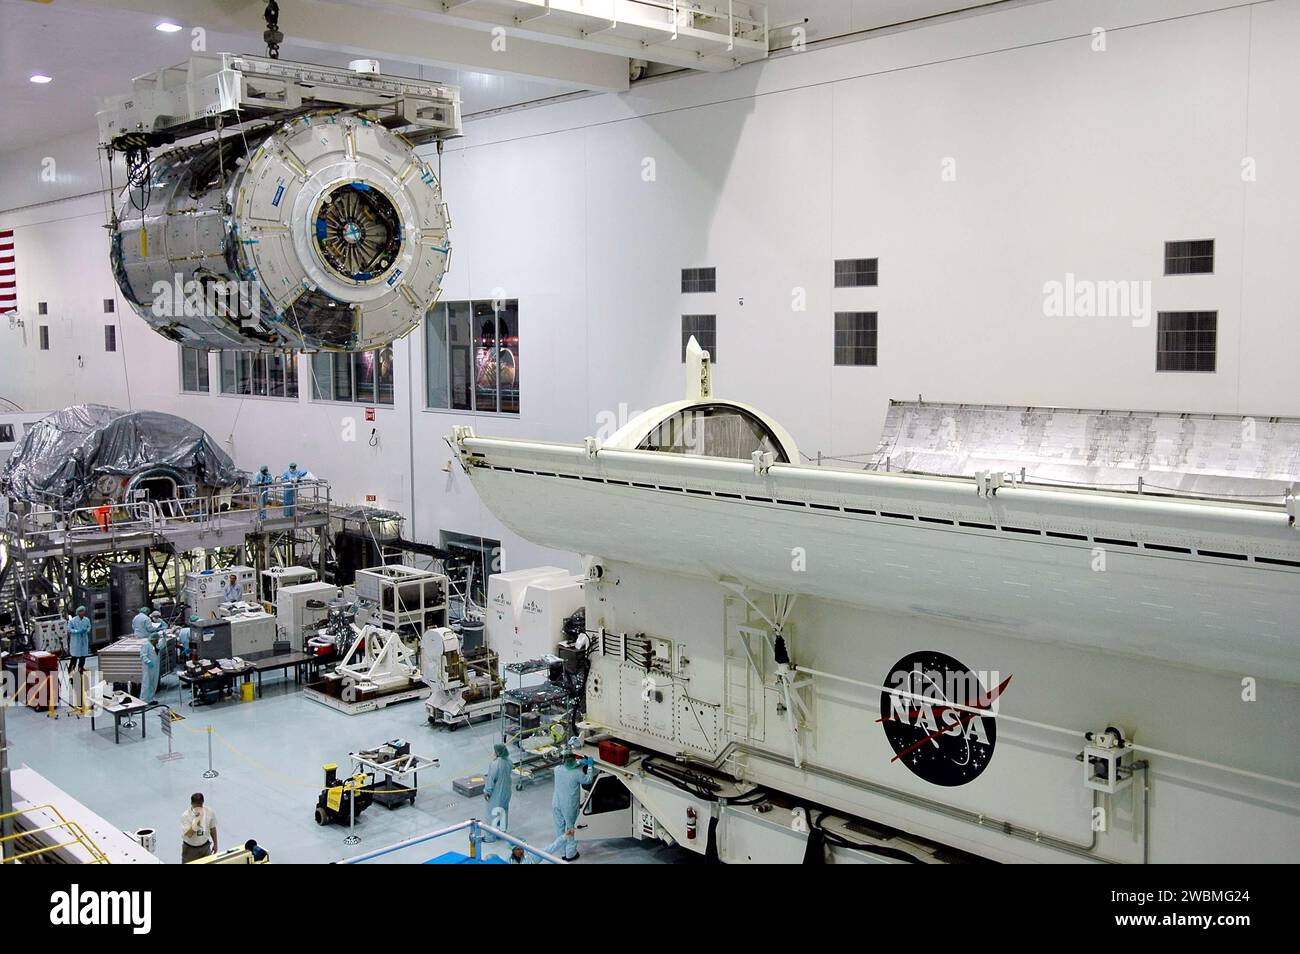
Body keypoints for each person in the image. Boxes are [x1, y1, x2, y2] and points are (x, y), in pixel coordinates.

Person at [543, 749, 598, 862]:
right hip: (569, 806)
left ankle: (562, 852)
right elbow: (588, 780)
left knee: (559, 827)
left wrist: (579, 763)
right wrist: (590, 766)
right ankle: (571, 854)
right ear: (573, 760)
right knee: (571, 828)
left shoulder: (557, 770)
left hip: (556, 803)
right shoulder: (577, 773)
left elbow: (569, 766)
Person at [483, 743, 513, 838]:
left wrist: (487, 791)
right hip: (507, 791)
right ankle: (502, 833)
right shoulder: (509, 762)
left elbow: (491, 779)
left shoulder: (495, 764)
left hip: (497, 792)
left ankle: (490, 836)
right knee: (503, 812)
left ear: (497, 752)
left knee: (493, 812)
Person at [181, 793, 218, 862]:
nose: (198, 808)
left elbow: (212, 828)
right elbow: (189, 834)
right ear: (192, 803)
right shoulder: (185, 816)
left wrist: (215, 844)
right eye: (196, 805)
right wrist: (196, 822)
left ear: (203, 802)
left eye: (200, 805)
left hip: (205, 848)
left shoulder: (209, 812)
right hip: (190, 850)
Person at [67, 606, 92, 704]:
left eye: (84, 611)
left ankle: (80, 671)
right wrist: (77, 632)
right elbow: (69, 629)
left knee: (82, 658)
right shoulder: (72, 621)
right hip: (76, 642)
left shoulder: (86, 620)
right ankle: (71, 673)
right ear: (78, 612)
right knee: (74, 659)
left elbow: (89, 626)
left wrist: (87, 630)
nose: (83, 613)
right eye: (81, 611)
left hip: (83, 642)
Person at [139, 632, 160, 703]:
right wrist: (148, 661)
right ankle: (143, 701)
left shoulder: (154, 645)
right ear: (153, 639)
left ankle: (150, 699)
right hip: (148, 668)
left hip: (154, 668)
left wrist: (164, 638)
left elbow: (161, 646)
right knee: (146, 684)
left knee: (153, 684)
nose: (158, 641)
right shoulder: (146, 645)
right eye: (157, 639)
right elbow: (143, 655)